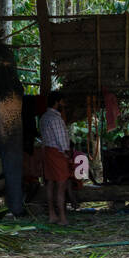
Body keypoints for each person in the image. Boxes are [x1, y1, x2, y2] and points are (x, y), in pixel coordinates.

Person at [38, 92, 73, 226]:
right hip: (57, 153)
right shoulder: (56, 118)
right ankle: (63, 218)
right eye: (63, 102)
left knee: (50, 184)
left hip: (47, 151)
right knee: (61, 186)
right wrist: (67, 154)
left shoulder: (44, 117)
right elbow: (62, 141)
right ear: (57, 102)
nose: (64, 105)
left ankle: (52, 215)